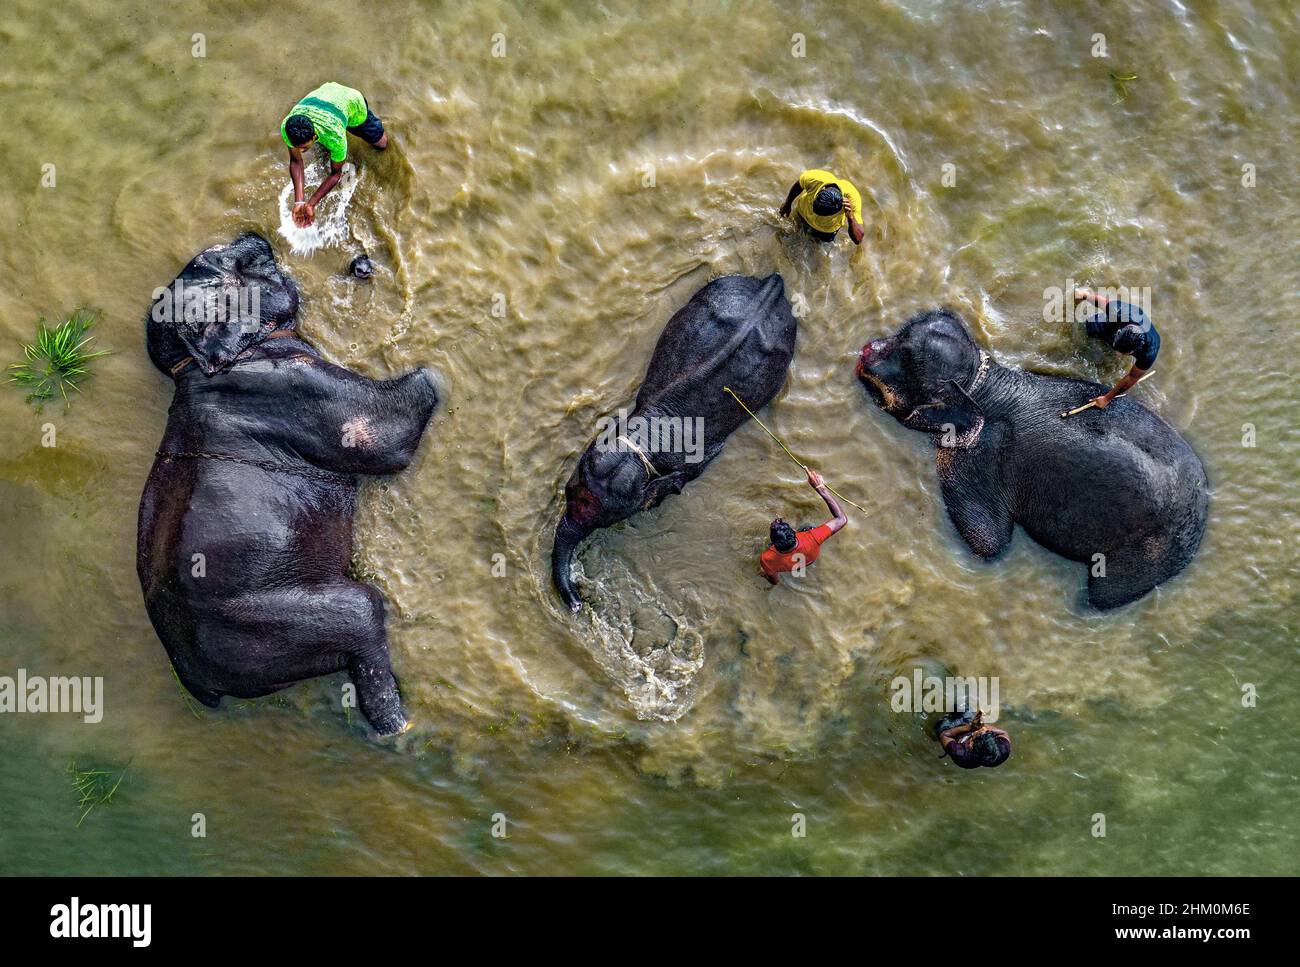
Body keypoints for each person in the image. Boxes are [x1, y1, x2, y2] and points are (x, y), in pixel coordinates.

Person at [281, 82, 388, 227]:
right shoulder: (287, 126)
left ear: (314, 136)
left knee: (381, 144)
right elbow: (295, 161)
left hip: (353, 102)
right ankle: (339, 125)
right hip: (326, 94)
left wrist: (312, 203)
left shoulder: (335, 138)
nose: (299, 151)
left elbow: (336, 173)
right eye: (296, 147)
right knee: (330, 148)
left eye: (304, 147)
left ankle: (353, 123)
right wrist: (299, 202)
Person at [1074, 288, 1160, 409]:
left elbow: (1132, 377)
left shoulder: (1149, 351)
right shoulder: (1121, 311)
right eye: (1118, 349)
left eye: (1123, 353)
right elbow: (1101, 302)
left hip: (1126, 336)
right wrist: (1085, 295)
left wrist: (1107, 398)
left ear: (1133, 351)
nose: (1118, 353)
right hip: (1111, 325)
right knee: (1087, 327)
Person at [759, 468, 848, 585]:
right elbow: (842, 519)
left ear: (774, 545)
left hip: (793, 566)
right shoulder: (812, 536)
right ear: (793, 532)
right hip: (809, 560)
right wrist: (821, 489)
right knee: (808, 527)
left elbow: (775, 581)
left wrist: (765, 574)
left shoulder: (767, 558)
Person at [779, 168, 865, 245]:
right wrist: (788, 203)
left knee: (815, 247)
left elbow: (858, 240)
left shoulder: (852, 199)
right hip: (802, 213)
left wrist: (850, 217)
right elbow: (799, 184)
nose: (815, 213)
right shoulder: (815, 178)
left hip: (826, 231)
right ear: (822, 189)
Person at [936, 707, 1011, 769]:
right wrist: (982, 726)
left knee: (939, 725)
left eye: (976, 733)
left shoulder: (960, 753)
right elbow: (1004, 733)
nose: (981, 730)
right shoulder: (1002, 750)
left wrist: (970, 728)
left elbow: (944, 735)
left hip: (953, 733)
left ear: (970, 744)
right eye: (986, 731)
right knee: (962, 706)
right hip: (970, 725)